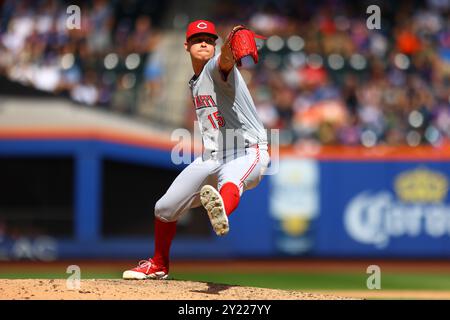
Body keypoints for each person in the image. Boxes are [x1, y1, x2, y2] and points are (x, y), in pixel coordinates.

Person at [123, 20, 270, 280]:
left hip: (247, 150)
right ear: (186, 45)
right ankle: (159, 264)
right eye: (197, 39)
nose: (204, 43)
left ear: (215, 46)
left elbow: (225, 60)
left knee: (232, 181)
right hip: (213, 157)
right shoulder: (196, 80)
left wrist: (230, 46)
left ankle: (220, 210)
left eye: (209, 40)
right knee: (165, 208)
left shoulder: (216, 68)